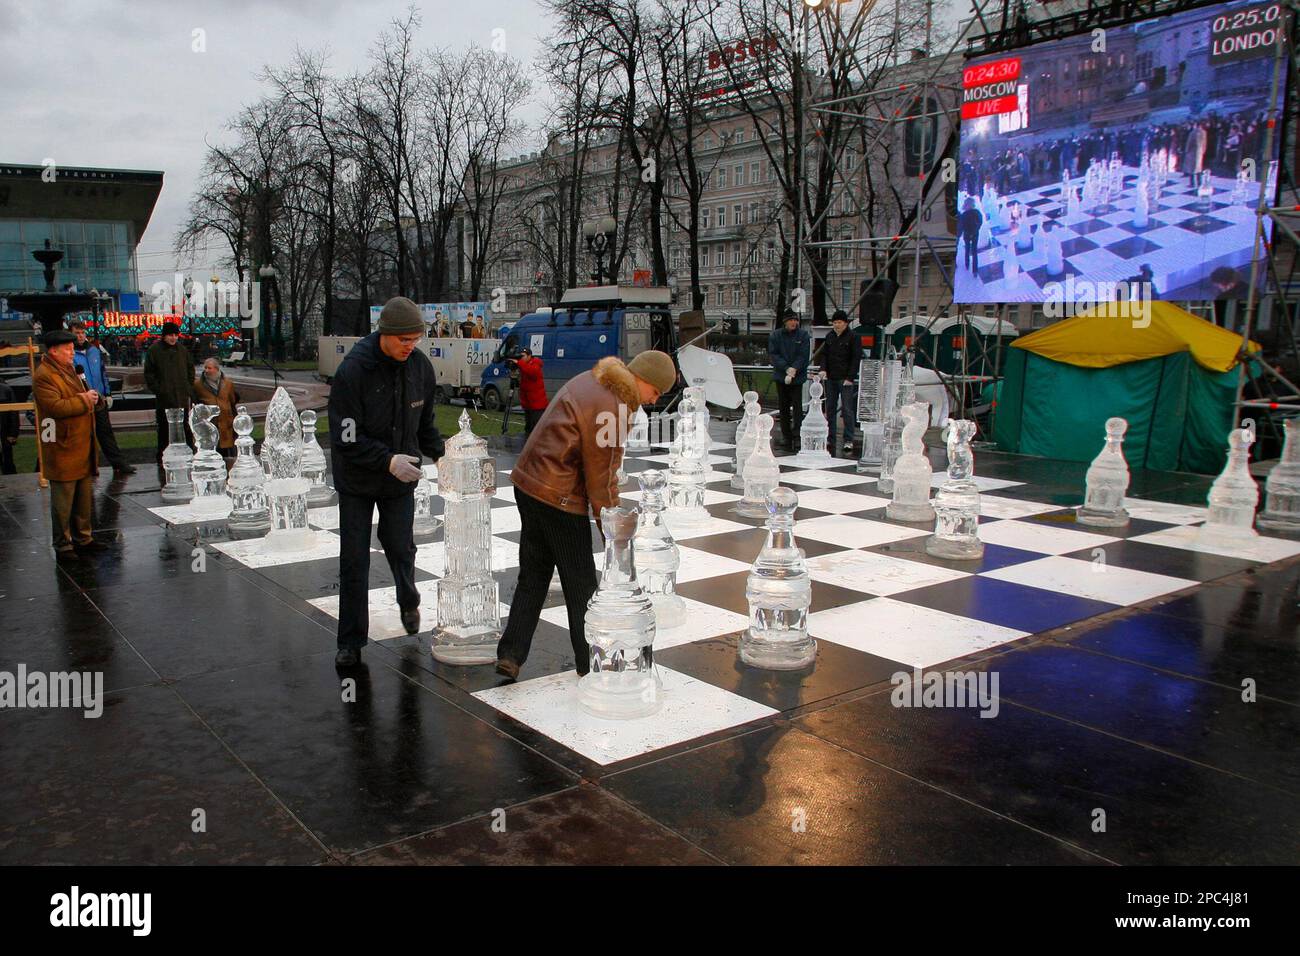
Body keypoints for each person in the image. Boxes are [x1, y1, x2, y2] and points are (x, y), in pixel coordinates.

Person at [494, 349, 675, 680]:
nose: (653, 400)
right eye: (656, 392)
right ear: (644, 379)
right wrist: (610, 527)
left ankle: (511, 654)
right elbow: (601, 472)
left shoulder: (592, 380)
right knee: (580, 583)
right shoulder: (615, 407)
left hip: (529, 482)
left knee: (533, 575)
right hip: (558, 495)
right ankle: (590, 661)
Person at [328, 297, 445, 669]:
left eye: (416, 340)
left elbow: (424, 425)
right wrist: (387, 460)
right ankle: (350, 642)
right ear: (386, 334)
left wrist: (444, 456)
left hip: (399, 481)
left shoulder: (421, 369)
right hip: (358, 480)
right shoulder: (353, 372)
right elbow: (345, 439)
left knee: (400, 547)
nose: (410, 346)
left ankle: (408, 598)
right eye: (404, 340)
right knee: (355, 559)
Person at [32, 330, 104, 560]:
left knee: (83, 496)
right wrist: (85, 400)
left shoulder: (71, 369)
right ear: (53, 351)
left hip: (81, 444)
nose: (73, 352)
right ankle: (63, 544)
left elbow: (82, 394)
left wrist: (95, 398)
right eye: (68, 349)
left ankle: (84, 538)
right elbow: (56, 407)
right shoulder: (44, 375)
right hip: (62, 445)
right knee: (63, 500)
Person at [71, 321, 134, 476]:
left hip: (99, 399)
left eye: (82, 332)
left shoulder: (94, 350)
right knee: (84, 435)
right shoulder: (70, 353)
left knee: (105, 432)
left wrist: (107, 393)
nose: (80, 336)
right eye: (76, 333)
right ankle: (88, 466)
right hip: (82, 399)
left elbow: (102, 373)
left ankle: (119, 464)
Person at [143, 321, 195, 462]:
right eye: (170, 335)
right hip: (164, 398)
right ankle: (162, 456)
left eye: (175, 335)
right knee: (164, 429)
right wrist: (159, 390)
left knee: (185, 427)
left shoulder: (182, 351)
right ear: (164, 336)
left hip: (181, 396)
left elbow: (190, 369)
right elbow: (149, 373)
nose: (173, 338)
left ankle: (190, 453)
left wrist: (187, 387)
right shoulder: (154, 350)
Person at [820, 310, 863, 456]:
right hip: (831, 378)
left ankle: (848, 439)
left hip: (845, 379)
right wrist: (823, 369)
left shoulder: (853, 337)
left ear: (845, 323)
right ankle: (830, 438)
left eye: (839, 322)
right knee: (830, 409)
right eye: (835, 322)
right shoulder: (830, 337)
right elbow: (824, 355)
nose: (837, 325)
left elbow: (855, 358)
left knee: (847, 410)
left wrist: (850, 377)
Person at [768, 310, 810, 450]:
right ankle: (786, 436)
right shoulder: (776, 335)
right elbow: (774, 354)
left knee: (797, 408)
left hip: (797, 378)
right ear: (785, 322)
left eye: (795, 320)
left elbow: (803, 355)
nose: (793, 323)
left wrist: (794, 369)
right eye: (791, 320)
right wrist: (785, 368)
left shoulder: (803, 335)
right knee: (783, 408)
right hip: (781, 377)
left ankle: (797, 436)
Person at [192, 356, 240, 457]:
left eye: (209, 368)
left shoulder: (227, 383)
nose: (207, 370)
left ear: (216, 369)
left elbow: (232, 401)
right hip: (209, 423)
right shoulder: (198, 385)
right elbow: (195, 402)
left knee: (226, 453)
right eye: (205, 368)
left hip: (225, 422)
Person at [513, 347, 548, 435]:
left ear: (529, 356)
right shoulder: (523, 365)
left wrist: (519, 363)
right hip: (528, 403)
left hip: (537, 404)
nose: (521, 358)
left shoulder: (535, 363)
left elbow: (532, 372)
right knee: (529, 427)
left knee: (536, 428)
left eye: (523, 356)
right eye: (520, 356)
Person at [959, 197, 983, 275]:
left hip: (967, 234)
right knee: (974, 251)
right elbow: (980, 221)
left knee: (967, 248)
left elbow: (961, 225)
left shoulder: (963, 214)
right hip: (975, 233)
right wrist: (977, 229)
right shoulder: (977, 212)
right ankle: (975, 270)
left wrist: (961, 233)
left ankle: (967, 264)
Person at [0, 379, 18, 475]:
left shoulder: (5, 389)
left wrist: (13, 433)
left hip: (3, 433)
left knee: (7, 462)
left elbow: (13, 412)